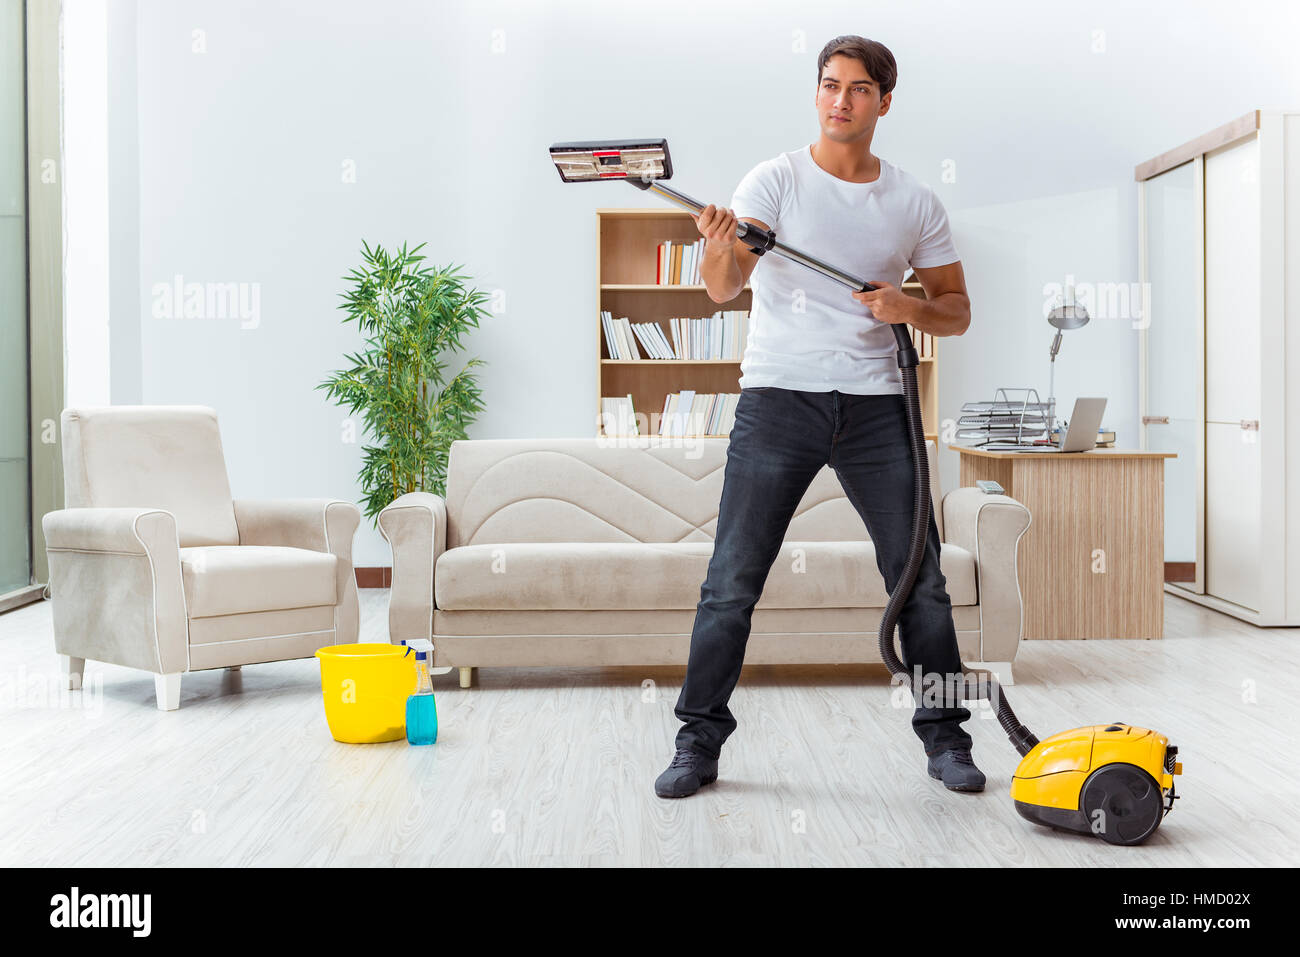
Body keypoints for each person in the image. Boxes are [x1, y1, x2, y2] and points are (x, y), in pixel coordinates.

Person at [655, 34, 984, 799]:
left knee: (922, 581)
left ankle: (947, 740)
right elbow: (724, 289)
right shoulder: (774, 181)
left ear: (884, 102)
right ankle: (698, 742)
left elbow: (958, 311)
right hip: (779, 400)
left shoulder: (912, 201)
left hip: (877, 410)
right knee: (731, 580)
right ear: (817, 93)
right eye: (830, 85)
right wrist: (714, 246)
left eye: (859, 88)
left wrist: (908, 305)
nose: (841, 99)